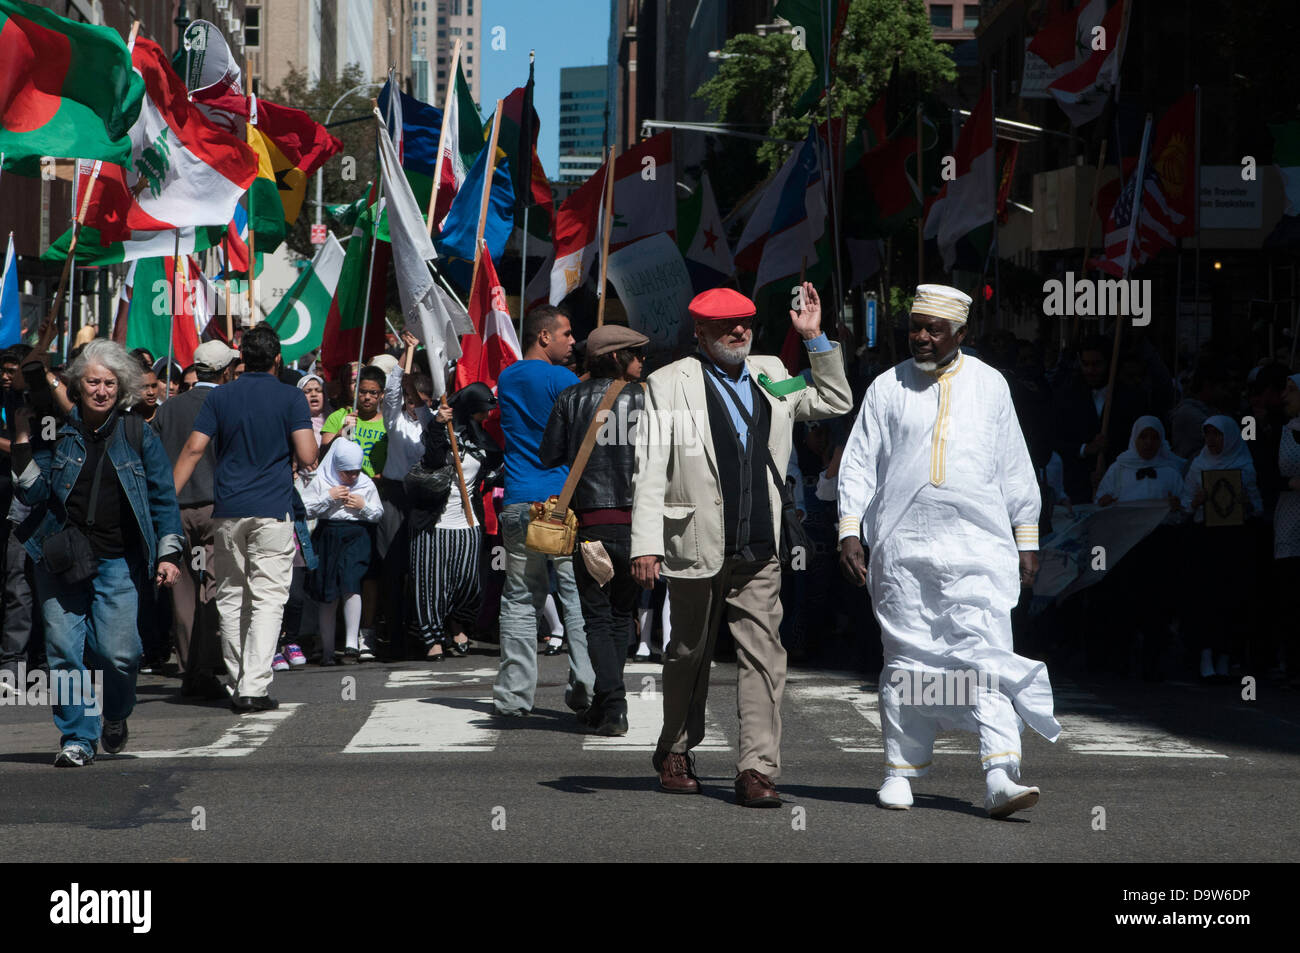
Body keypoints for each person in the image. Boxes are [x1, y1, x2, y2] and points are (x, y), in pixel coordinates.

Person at [836, 284, 1060, 819]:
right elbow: (860, 462)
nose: (921, 337)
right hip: (902, 547)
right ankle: (899, 771)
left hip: (977, 547)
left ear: (963, 335)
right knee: (908, 661)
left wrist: (1026, 536)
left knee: (982, 655)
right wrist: (849, 529)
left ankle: (999, 774)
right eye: (916, 326)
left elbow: (1013, 466)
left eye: (935, 330)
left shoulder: (990, 386)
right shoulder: (886, 387)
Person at [631, 284, 852, 807]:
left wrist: (815, 338)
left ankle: (756, 769)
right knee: (688, 653)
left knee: (763, 657)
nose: (739, 331)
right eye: (727, 325)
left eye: (746, 322)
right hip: (694, 543)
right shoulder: (668, 383)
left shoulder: (773, 372)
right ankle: (676, 749)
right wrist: (646, 544)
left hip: (759, 547)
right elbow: (649, 470)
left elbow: (834, 400)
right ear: (700, 333)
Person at [10, 340, 183, 766]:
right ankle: (78, 737)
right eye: (93, 382)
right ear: (77, 385)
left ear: (120, 387)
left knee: (119, 654)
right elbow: (33, 491)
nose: (102, 390)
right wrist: (21, 439)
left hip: (118, 560)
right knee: (64, 651)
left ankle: (117, 713)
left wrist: (168, 554)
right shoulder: (57, 428)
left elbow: (163, 499)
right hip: (60, 556)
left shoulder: (138, 432)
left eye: (109, 383)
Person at [171, 325, 318, 713]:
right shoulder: (291, 397)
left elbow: (193, 448)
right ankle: (254, 685)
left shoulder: (222, 397)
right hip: (272, 509)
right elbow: (307, 455)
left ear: (240, 360)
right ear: (277, 359)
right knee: (268, 597)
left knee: (232, 596)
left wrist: (167, 500)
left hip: (228, 509)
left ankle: (240, 683)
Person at [540, 325, 648, 736]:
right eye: (636, 354)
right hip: (640, 525)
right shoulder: (649, 398)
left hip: (592, 525)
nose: (642, 362)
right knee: (621, 615)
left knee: (599, 619)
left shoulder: (571, 397)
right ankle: (606, 705)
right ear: (618, 358)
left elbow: (548, 454)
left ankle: (613, 706)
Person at [492, 306, 595, 717]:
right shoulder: (562, 379)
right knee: (575, 596)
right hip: (561, 502)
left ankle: (513, 698)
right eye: (567, 334)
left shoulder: (508, 376)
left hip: (518, 499)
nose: (574, 341)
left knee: (519, 599)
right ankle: (585, 686)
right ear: (543, 337)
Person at [151, 341, 241, 700]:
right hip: (217, 508)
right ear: (225, 371)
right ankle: (209, 666)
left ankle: (192, 669)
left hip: (175, 508)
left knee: (183, 591)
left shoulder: (169, 409)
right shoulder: (229, 405)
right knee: (216, 589)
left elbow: (154, 458)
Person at [408, 383, 502, 660]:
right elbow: (433, 458)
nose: (486, 416)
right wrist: (438, 425)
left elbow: (492, 468)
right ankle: (433, 637)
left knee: (467, 582)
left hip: (468, 522)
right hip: (434, 523)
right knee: (431, 583)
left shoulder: (482, 438)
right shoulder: (441, 428)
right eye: (482, 411)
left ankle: (458, 623)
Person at [1093, 416, 1185, 679]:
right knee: (1124, 602)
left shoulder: (1170, 471)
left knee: (1156, 605)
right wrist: (1106, 501)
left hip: (1158, 549)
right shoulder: (1119, 469)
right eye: (1143, 437)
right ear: (1134, 438)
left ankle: (1152, 662)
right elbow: (1100, 502)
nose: (1148, 443)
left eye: (1154, 437)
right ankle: (1119, 659)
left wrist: (1177, 507)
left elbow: (1184, 510)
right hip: (1125, 549)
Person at [1181, 415, 1263, 681]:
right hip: (1206, 540)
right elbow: (1184, 505)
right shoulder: (1199, 465)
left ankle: (1226, 655)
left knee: (1232, 597)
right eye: (1208, 435)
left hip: (1235, 540)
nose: (1212, 441)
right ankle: (1205, 655)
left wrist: (1245, 502)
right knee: (1206, 597)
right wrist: (1197, 501)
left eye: (1217, 434)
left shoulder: (1244, 465)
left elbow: (1257, 508)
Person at [302, 439, 383, 664]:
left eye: (356, 472)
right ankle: (327, 650)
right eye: (347, 473)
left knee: (351, 581)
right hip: (328, 534)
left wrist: (362, 506)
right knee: (328, 593)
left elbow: (378, 513)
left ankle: (351, 642)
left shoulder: (365, 483)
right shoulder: (321, 480)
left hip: (357, 535)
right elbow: (306, 509)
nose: (353, 477)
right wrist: (330, 497)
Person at [378, 332, 434, 658]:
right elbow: (395, 389)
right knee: (392, 566)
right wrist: (408, 350)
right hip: (395, 496)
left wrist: (412, 378)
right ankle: (392, 634)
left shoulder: (426, 423)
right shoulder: (394, 420)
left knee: (419, 568)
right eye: (412, 395)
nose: (415, 401)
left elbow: (411, 392)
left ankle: (419, 633)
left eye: (421, 397)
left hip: (421, 496)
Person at [297, 373, 333, 447]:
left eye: (318, 390)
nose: (313, 394)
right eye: (308, 391)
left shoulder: (336, 417)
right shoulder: (295, 421)